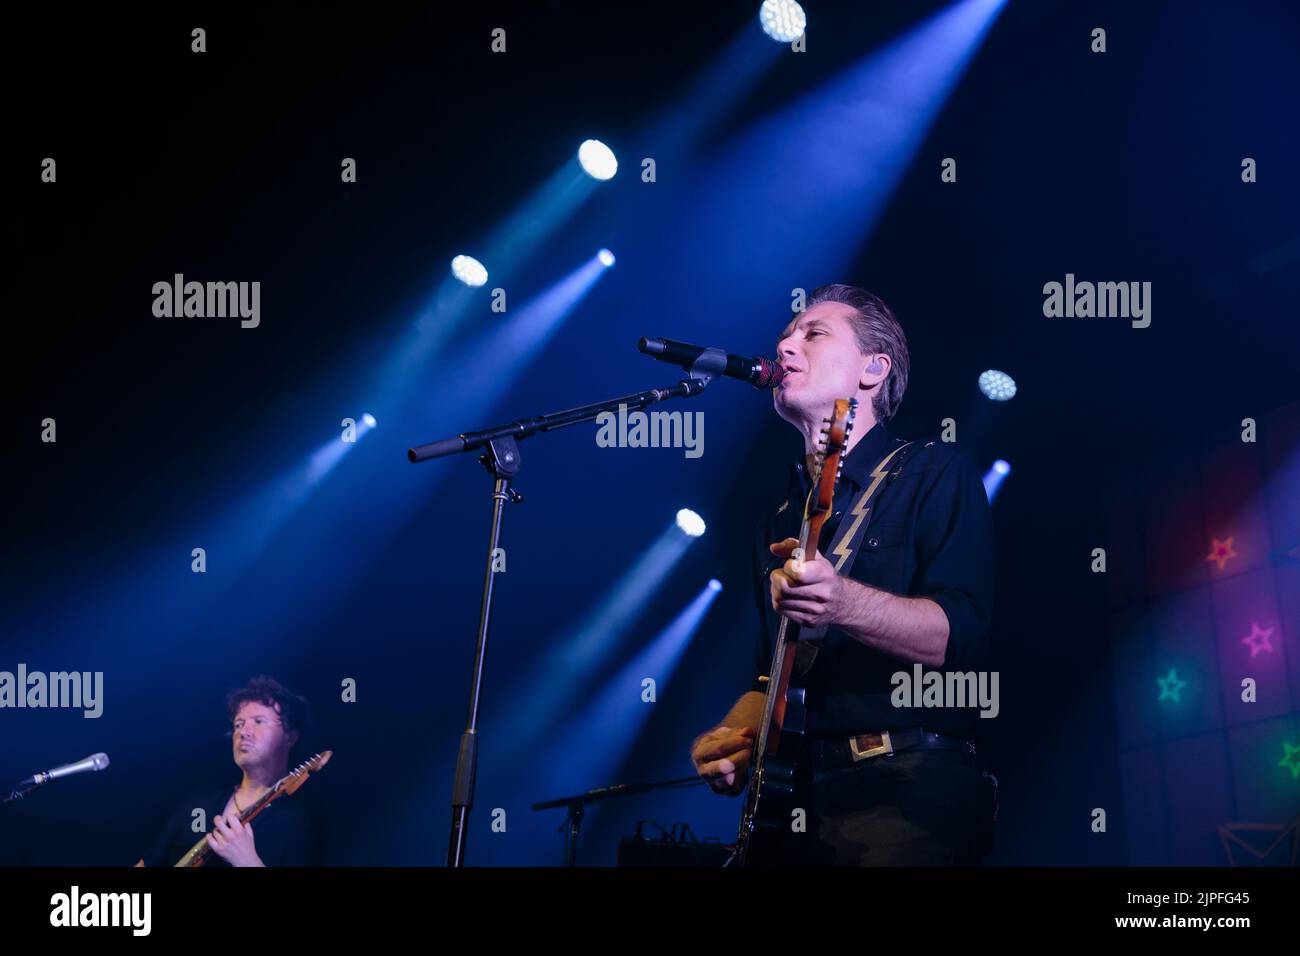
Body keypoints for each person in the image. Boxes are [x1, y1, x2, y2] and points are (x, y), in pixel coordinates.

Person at [690, 284, 996, 865]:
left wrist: (841, 603)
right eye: (785, 333)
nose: (785, 345)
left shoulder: (933, 470)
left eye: (813, 333)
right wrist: (724, 740)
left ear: (873, 370)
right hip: (794, 800)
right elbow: (771, 679)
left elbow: (961, 638)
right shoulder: (780, 515)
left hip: (904, 795)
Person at [134, 675, 325, 867]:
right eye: (238, 724)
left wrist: (248, 862)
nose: (244, 732)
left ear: (290, 737)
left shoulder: (301, 821)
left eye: (258, 721)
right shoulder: (200, 801)